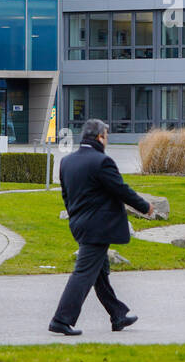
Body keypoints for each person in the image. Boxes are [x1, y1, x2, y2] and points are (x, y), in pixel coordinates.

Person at [49, 119, 153, 336]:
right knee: (84, 273)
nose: (107, 140)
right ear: (99, 137)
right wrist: (145, 207)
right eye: (107, 135)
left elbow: (66, 195)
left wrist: (76, 216)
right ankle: (61, 319)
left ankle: (118, 315)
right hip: (97, 228)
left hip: (79, 224)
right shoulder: (101, 162)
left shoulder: (67, 161)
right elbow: (121, 190)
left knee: (100, 273)